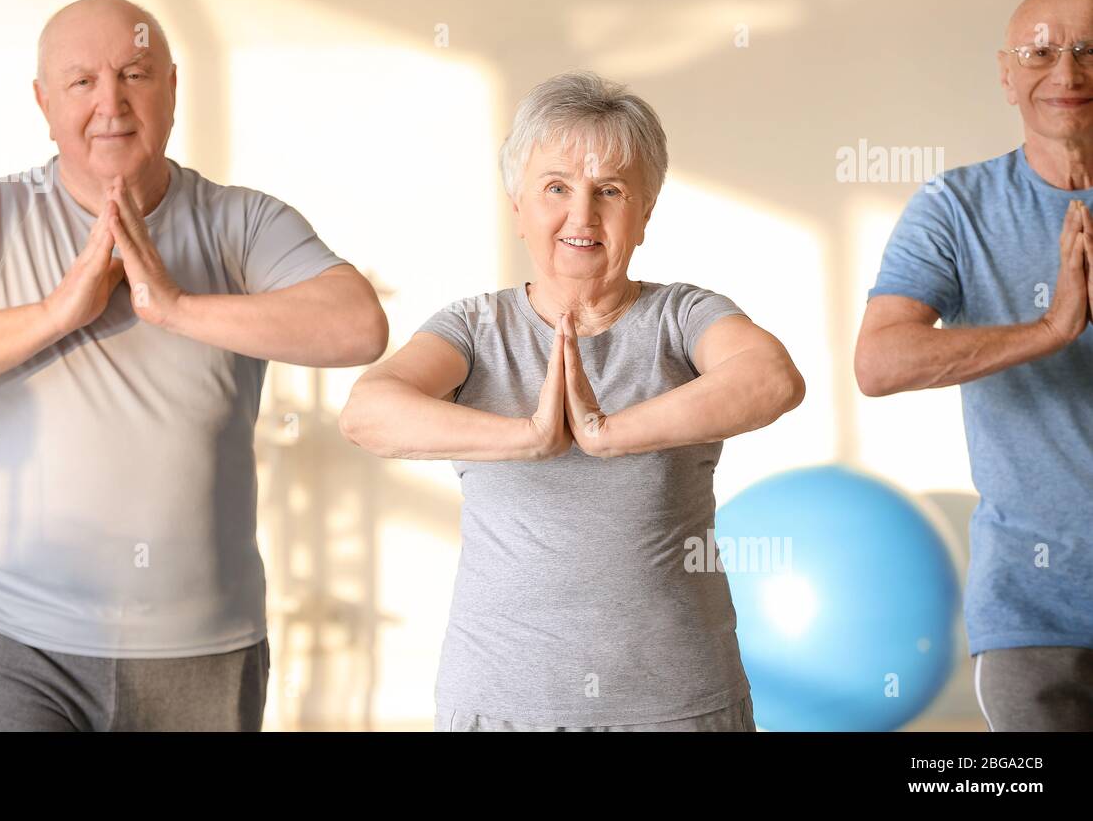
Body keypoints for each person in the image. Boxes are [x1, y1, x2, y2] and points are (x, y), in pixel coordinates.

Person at [0, 0, 388, 731]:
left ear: (171, 87)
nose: (111, 102)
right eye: (81, 82)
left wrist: (174, 306)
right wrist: (57, 312)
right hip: (9, 638)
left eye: (134, 73)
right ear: (42, 101)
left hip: (204, 648)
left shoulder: (241, 222)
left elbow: (357, 326)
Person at [339, 70, 805, 731]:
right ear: (518, 208)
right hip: (501, 707)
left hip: (675, 705)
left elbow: (772, 379)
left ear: (643, 214)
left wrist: (610, 432)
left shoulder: (684, 317)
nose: (582, 215)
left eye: (609, 191)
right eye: (556, 187)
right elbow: (367, 413)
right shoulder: (474, 328)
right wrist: (530, 436)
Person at [856, 0, 1093, 731]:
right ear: (1006, 73)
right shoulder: (956, 208)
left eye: (1089, 50)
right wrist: (1051, 328)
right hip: (1033, 610)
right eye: (1041, 52)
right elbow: (879, 363)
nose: (1067, 72)